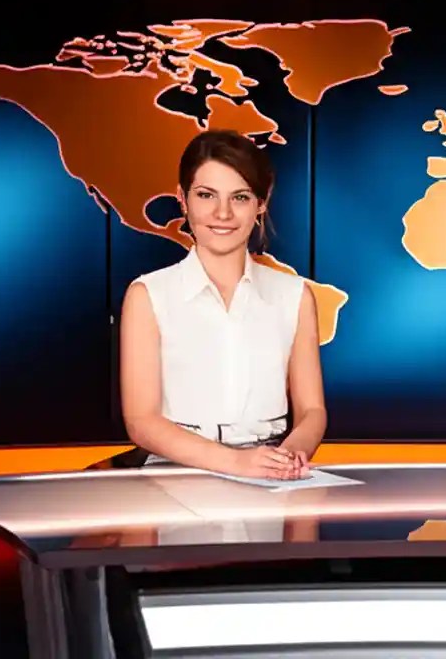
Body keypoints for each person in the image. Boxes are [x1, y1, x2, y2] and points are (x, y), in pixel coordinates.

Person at [119, 129, 326, 480]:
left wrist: (288, 457)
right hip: (174, 476)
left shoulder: (294, 296)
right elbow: (141, 422)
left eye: (240, 197)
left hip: (271, 474)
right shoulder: (148, 295)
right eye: (206, 195)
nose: (223, 213)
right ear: (183, 200)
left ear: (261, 202)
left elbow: (313, 410)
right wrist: (237, 464)